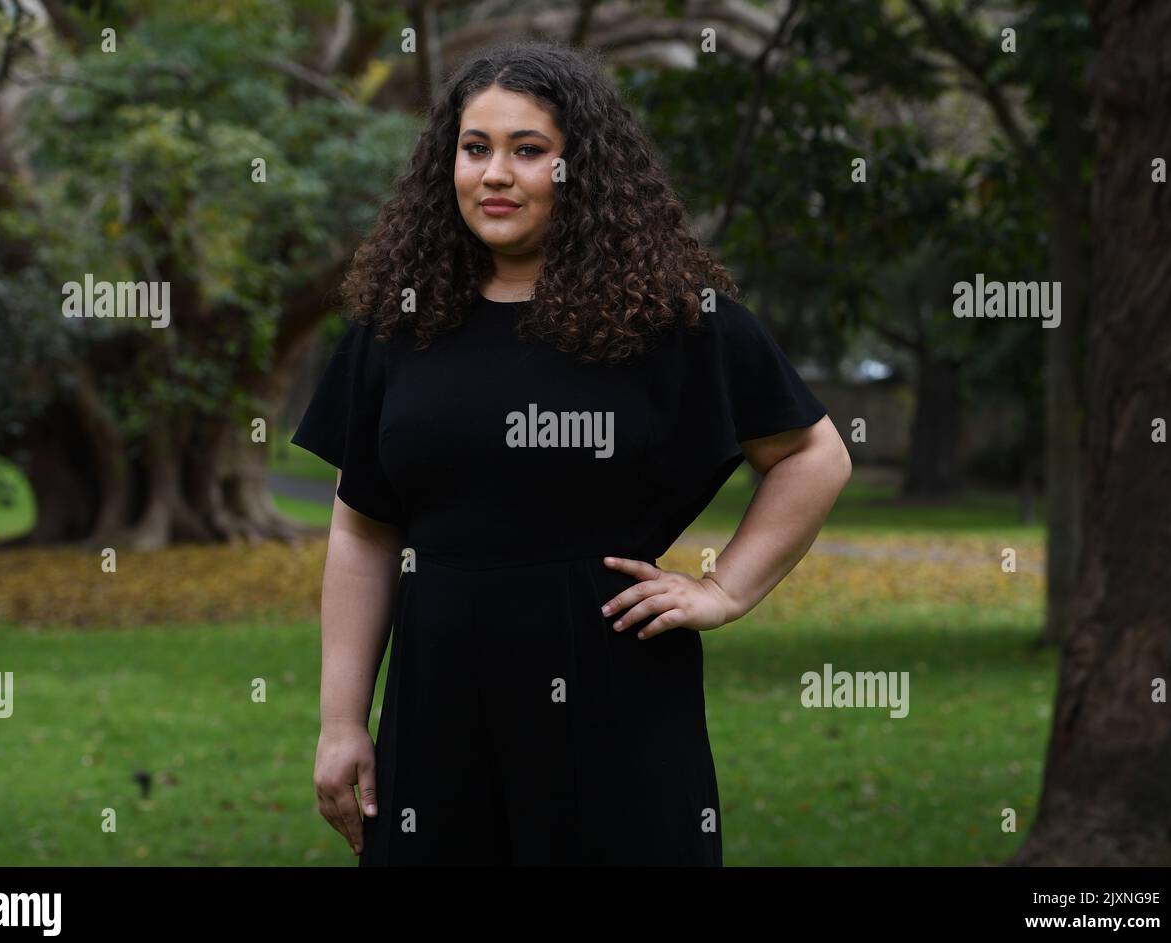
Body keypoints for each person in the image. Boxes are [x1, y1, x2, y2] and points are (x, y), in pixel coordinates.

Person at [292, 38, 852, 866]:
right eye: (475, 148)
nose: (494, 174)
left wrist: (724, 589)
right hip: (437, 703)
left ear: (579, 170)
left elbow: (813, 455)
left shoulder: (670, 319)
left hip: (614, 698)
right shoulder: (397, 325)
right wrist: (342, 723)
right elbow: (363, 529)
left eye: (528, 151)